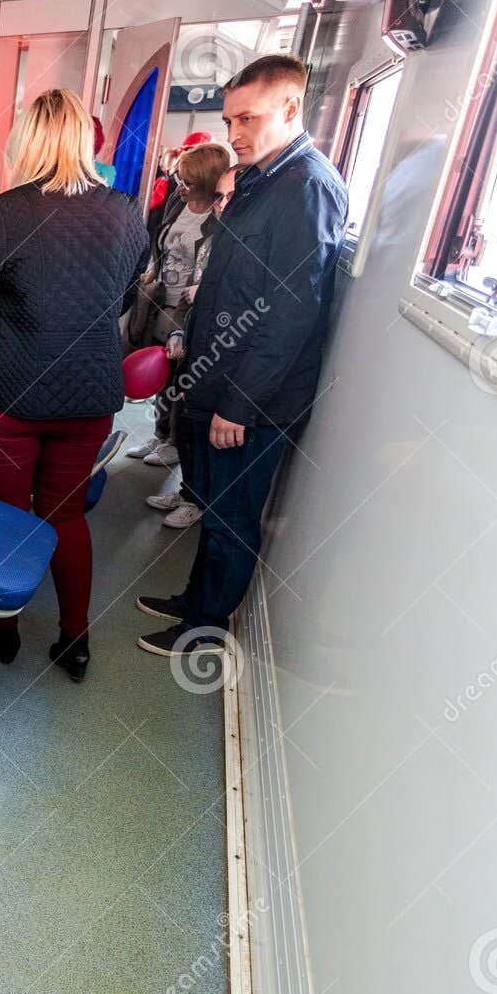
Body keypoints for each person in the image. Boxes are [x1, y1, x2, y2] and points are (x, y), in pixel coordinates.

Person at [137, 55, 347, 661]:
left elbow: (292, 313)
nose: (235, 134)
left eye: (248, 118)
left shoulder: (306, 187)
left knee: (231, 517)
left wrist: (240, 404)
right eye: (229, 119)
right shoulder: (261, 179)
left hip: (250, 399)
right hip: (219, 379)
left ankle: (204, 627)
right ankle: (194, 600)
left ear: (290, 109)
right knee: (214, 505)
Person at [0, 87, 148, 682]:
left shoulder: (11, 208)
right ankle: (75, 641)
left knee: (8, 516)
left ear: (26, 141)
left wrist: (16, 294)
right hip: (88, 395)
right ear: (85, 140)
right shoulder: (125, 209)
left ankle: (2, 632)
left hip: (10, 391)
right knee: (64, 515)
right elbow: (126, 298)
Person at [124, 142, 232, 480]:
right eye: (180, 180)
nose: (180, 187)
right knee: (159, 369)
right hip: (161, 295)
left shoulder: (220, 218)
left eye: (188, 183)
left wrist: (200, 289)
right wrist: (154, 270)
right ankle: (159, 435)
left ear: (206, 182)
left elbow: (218, 266)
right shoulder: (177, 203)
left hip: (187, 305)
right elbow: (164, 243)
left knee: (178, 374)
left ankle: (172, 441)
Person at [145, 163, 235, 530]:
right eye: (219, 196)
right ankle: (188, 491)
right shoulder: (212, 231)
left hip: (220, 346)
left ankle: (195, 499)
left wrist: (205, 291)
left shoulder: (237, 239)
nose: (222, 204)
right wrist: (181, 331)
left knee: (198, 427)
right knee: (184, 414)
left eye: (230, 197)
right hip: (193, 329)